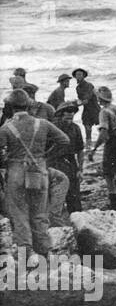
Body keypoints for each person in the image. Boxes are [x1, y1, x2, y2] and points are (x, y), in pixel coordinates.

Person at [0, 90, 71, 254]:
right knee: (40, 213)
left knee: (19, 213)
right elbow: (64, 140)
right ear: (28, 105)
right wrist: (45, 157)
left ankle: (26, 252)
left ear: (11, 107)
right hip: (39, 170)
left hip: (16, 171)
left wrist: (6, 162)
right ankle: (45, 251)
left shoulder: (6, 128)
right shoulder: (43, 124)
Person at [87, 86, 116, 209]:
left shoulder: (104, 112)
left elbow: (103, 133)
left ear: (99, 99)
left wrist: (94, 149)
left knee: (108, 174)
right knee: (113, 172)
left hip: (112, 144)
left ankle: (114, 204)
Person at [49, 100, 85, 215]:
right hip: (54, 162)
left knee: (74, 196)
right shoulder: (52, 128)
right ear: (61, 113)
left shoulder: (76, 128)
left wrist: (80, 169)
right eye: (68, 111)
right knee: (54, 196)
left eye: (73, 111)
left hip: (70, 163)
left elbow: (80, 150)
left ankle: (76, 219)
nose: (71, 113)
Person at [73, 68, 99, 143]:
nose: (78, 76)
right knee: (87, 129)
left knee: (103, 128)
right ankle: (88, 145)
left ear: (84, 76)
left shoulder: (89, 85)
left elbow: (86, 100)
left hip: (95, 109)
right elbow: (81, 100)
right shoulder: (77, 88)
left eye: (80, 74)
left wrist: (75, 104)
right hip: (86, 109)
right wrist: (75, 103)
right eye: (77, 75)